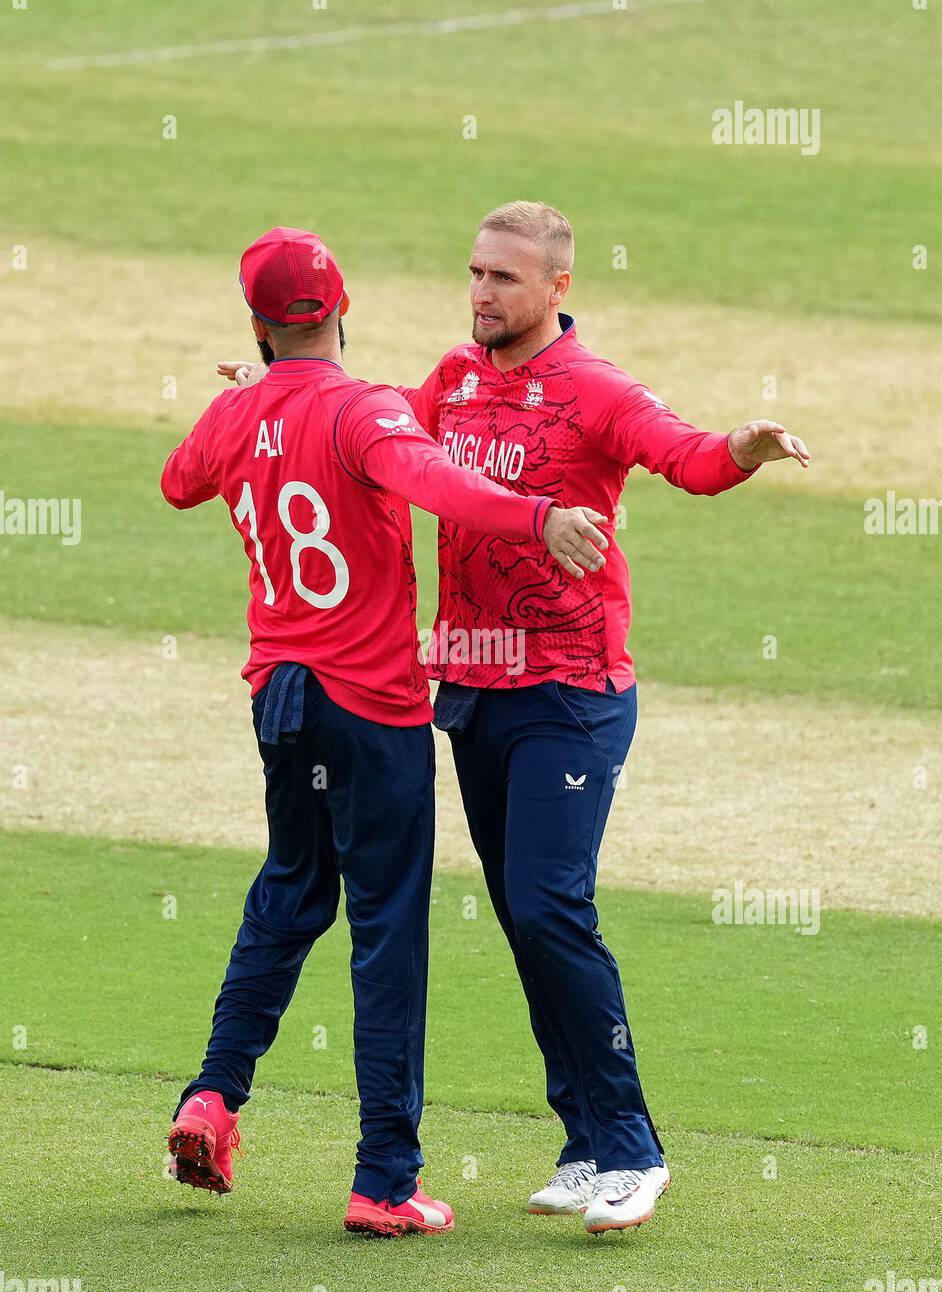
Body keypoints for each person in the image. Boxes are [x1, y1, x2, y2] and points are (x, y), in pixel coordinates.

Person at [218, 202, 810, 1236]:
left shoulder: (597, 391)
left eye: (504, 278)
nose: (483, 292)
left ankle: (632, 1148)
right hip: (471, 694)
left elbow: (681, 455)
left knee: (548, 906)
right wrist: (274, 390)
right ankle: (582, 1141)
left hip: (571, 694)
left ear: (557, 290)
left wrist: (741, 448)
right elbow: (382, 415)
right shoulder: (452, 377)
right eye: (476, 273)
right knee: (524, 916)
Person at [162, 225, 609, 1238]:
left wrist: (246, 403)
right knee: (388, 932)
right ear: (342, 310)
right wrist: (537, 518)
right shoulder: (365, 412)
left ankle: (214, 1095)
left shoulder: (239, 412)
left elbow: (179, 481)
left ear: (256, 323)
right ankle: (383, 1178)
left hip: (279, 697)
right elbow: (436, 483)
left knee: (287, 894)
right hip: (372, 707)